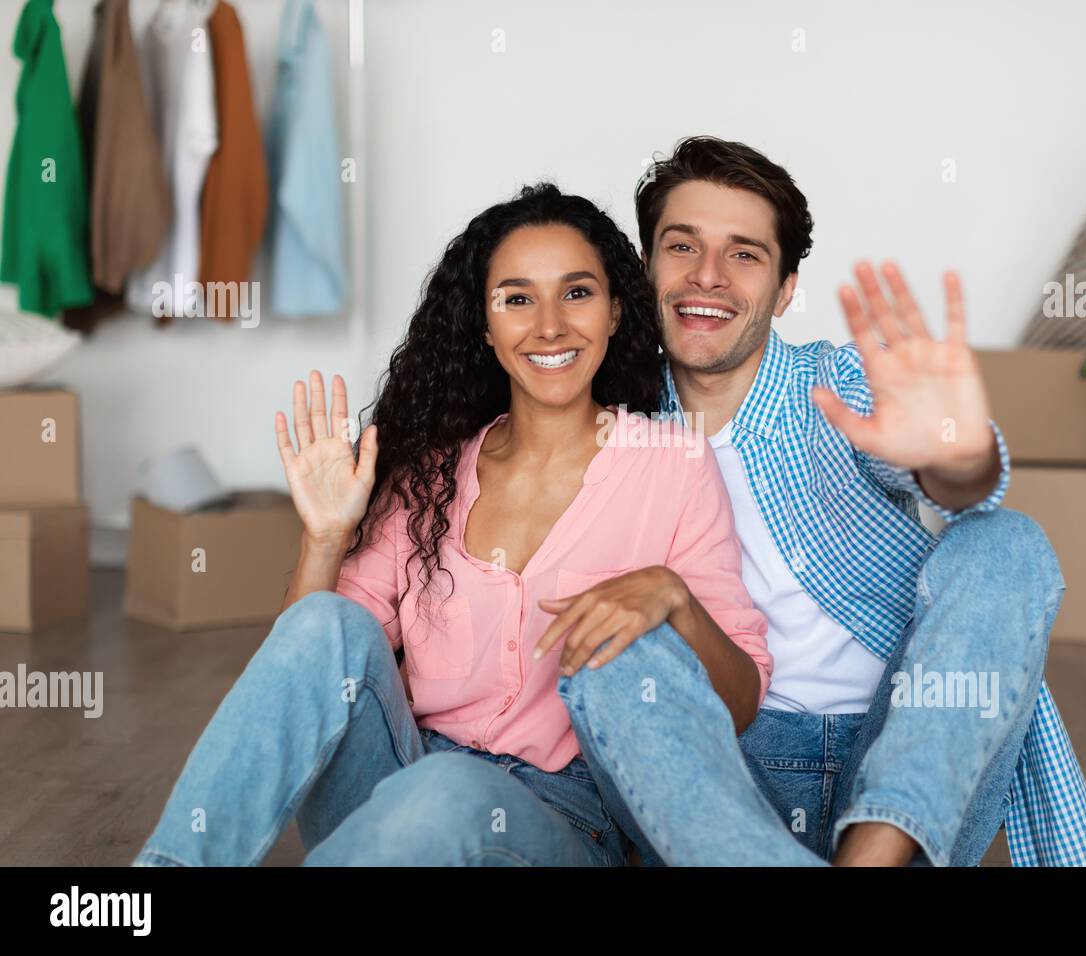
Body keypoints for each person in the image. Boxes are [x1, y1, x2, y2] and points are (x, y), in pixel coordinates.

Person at [132, 182, 771, 866]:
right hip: (393, 791)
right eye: (517, 298)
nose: (550, 325)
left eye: (577, 292)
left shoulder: (672, 465)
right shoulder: (428, 476)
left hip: (562, 826)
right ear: (486, 325)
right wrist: (324, 538)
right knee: (329, 624)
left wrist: (672, 594)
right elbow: (314, 669)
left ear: (616, 311)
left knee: (448, 789)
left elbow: (736, 703)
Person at [555, 136, 1086, 866]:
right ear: (646, 268)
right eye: (682, 247)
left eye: (745, 255)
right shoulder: (600, 420)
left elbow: (954, 477)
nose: (708, 277)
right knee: (611, 644)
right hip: (719, 769)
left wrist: (957, 455)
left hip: (908, 751)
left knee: (1005, 539)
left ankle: (874, 853)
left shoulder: (834, 383)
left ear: (786, 289)